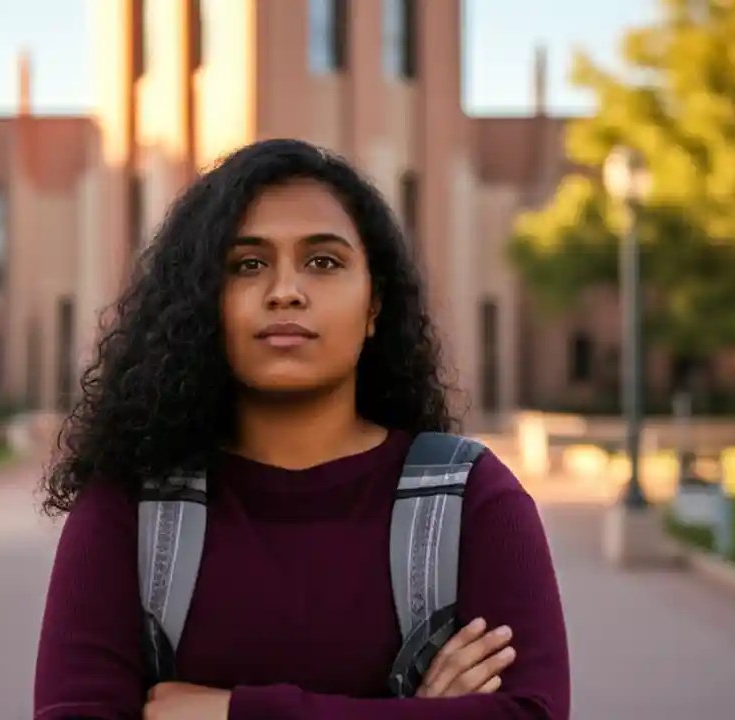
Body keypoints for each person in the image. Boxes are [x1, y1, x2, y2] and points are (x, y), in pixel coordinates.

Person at [34, 139, 569, 720]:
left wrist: (228, 713)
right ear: (200, 303)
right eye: (247, 265)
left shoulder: (471, 499)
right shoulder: (129, 506)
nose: (285, 291)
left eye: (324, 262)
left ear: (374, 307)